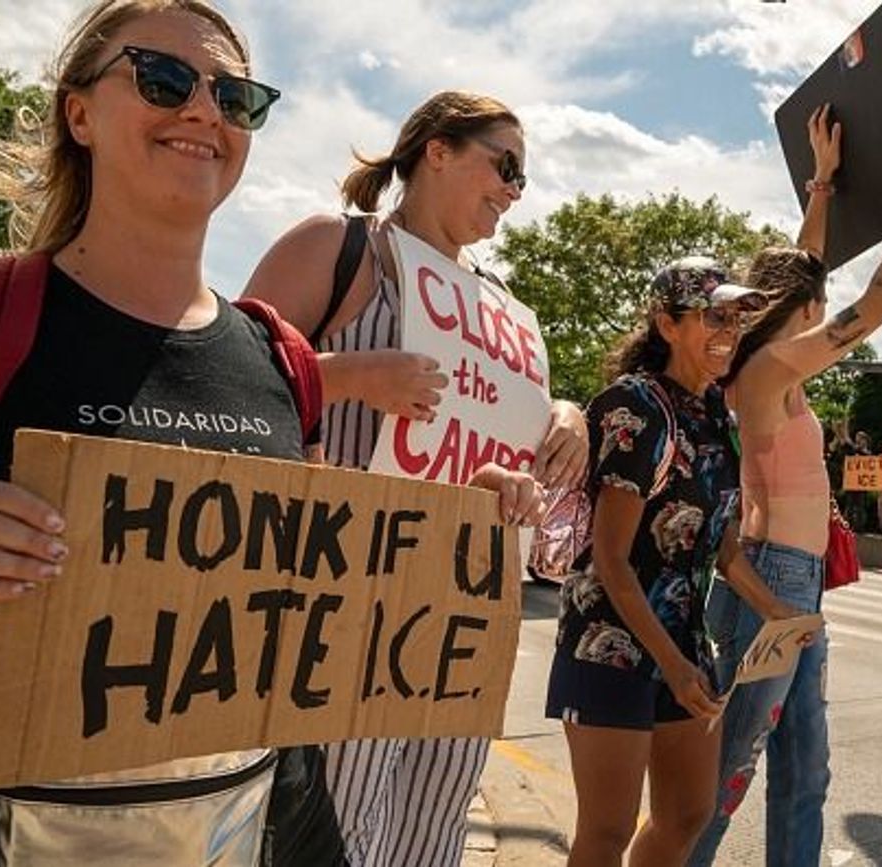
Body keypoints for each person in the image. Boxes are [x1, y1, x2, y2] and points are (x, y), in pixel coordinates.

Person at [0, 2, 348, 862]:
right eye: (162, 79)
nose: (204, 109)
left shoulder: (282, 360)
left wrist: (472, 518)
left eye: (235, 97)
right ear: (79, 112)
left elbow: (317, 596)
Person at [243, 91, 576, 866]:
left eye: (524, 178)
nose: (515, 191)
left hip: (457, 623)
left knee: (431, 836)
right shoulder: (339, 249)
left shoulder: (503, 312)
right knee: (334, 836)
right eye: (506, 165)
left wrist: (567, 415)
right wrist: (349, 376)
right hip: (337, 611)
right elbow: (221, 386)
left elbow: (503, 441)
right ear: (436, 150)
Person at [689, 112, 882, 867]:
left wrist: (823, 181)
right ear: (800, 311)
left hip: (799, 580)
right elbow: (880, 299)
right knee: (730, 770)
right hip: (770, 580)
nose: (824, 302)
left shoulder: (770, 357)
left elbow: (802, 270)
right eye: (815, 298)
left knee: (805, 768)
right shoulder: (765, 374)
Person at [545, 257, 803, 867]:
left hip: (681, 642)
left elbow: (720, 545)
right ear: (667, 323)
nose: (729, 331)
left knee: (689, 812)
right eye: (714, 316)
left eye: (736, 319)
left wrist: (777, 613)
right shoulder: (636, 407)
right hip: (610, 641)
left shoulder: (716, 412)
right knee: (605, 832)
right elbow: (609, 560)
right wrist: (674, 666)